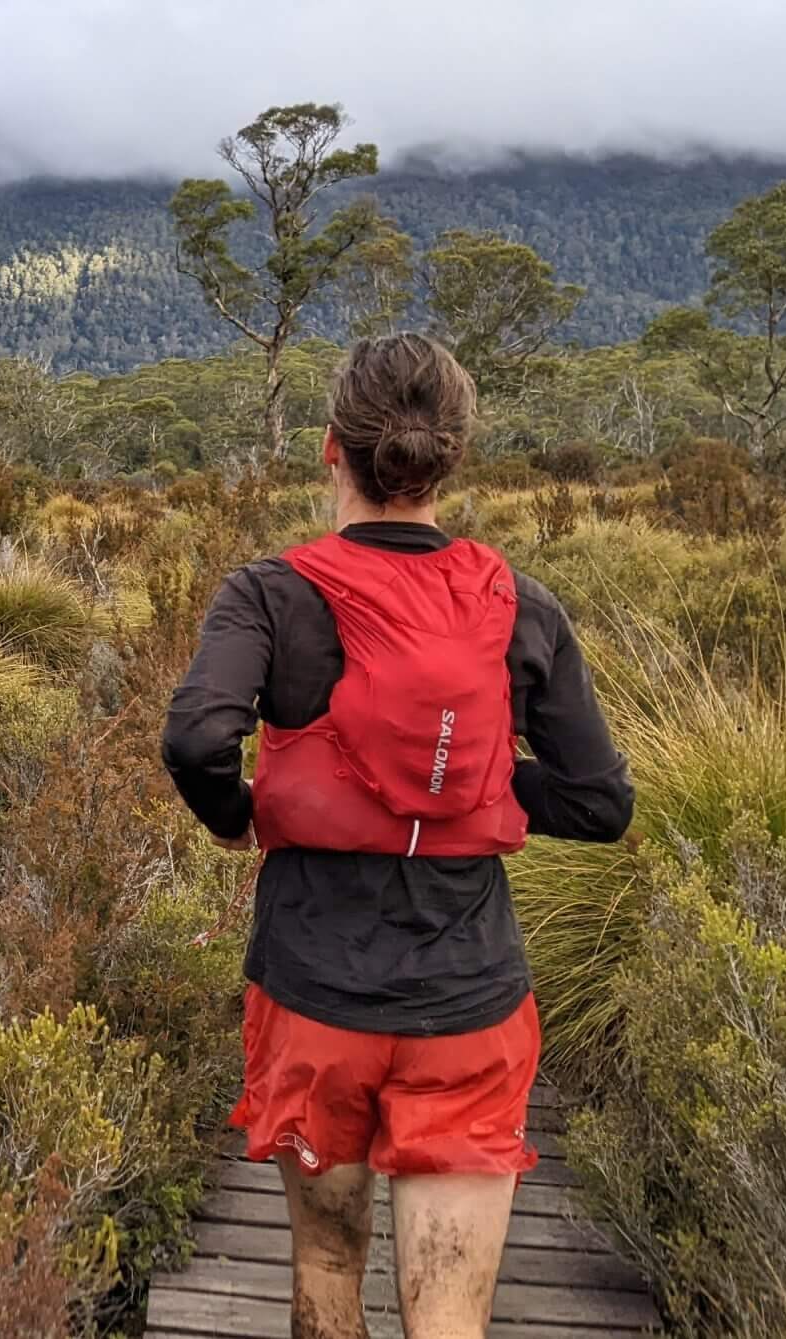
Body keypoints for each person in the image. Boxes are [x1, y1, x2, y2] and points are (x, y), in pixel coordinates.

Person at [161, 334, 633, 1339]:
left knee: (327, 1265)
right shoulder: (520, 605)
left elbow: (198, 737)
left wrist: (243, 814)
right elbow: (600, 803)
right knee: (450, 1314)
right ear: (451, 456)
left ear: (330, 448)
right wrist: (478, 789)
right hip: (468, 999)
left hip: (310, 991)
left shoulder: (267, 593)